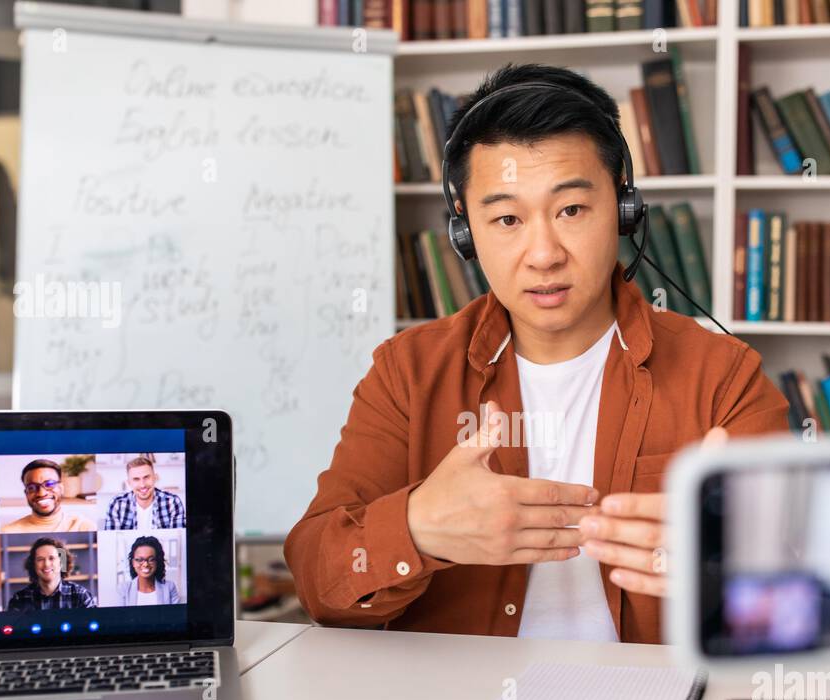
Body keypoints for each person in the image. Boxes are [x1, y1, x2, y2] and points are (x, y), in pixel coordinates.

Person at [285, 64, 789, 644]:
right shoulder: (407, 374)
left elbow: (808, 583)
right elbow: (317, 583)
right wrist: (417, 528)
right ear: (465, 233)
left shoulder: (722, 376)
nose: (543, 254)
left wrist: (727, 566)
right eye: (506, 219)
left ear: (624, 207)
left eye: (571, 210)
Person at [2, 459, 96, 532]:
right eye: (32, 487)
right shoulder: (8, 530)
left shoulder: (83, 526)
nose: (42, 493)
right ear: (26, 493)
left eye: (49, 484)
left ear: (61, 488)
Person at [6, 536, 96, 610]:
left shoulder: (81, 595)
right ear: (33, 565)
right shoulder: (19, 599)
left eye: (52, 558)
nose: (46, 564)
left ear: (62, 563)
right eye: (40, 559)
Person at [102, 456, 186, 530]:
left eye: (146, 477)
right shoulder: (117, 504)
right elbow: (112, 541)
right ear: (129, 483)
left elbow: (180, 537)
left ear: (155, 477)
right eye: (136, 479)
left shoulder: (172, 502)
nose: (142, 485)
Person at [117, 535, 181, 606]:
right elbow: (122, 616)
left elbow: (175, 616)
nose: (145, 564)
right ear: (133, 563)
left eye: (151, 559)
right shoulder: (123, 589)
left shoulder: (169, 587)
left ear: (157, 562)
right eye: (140, 560)